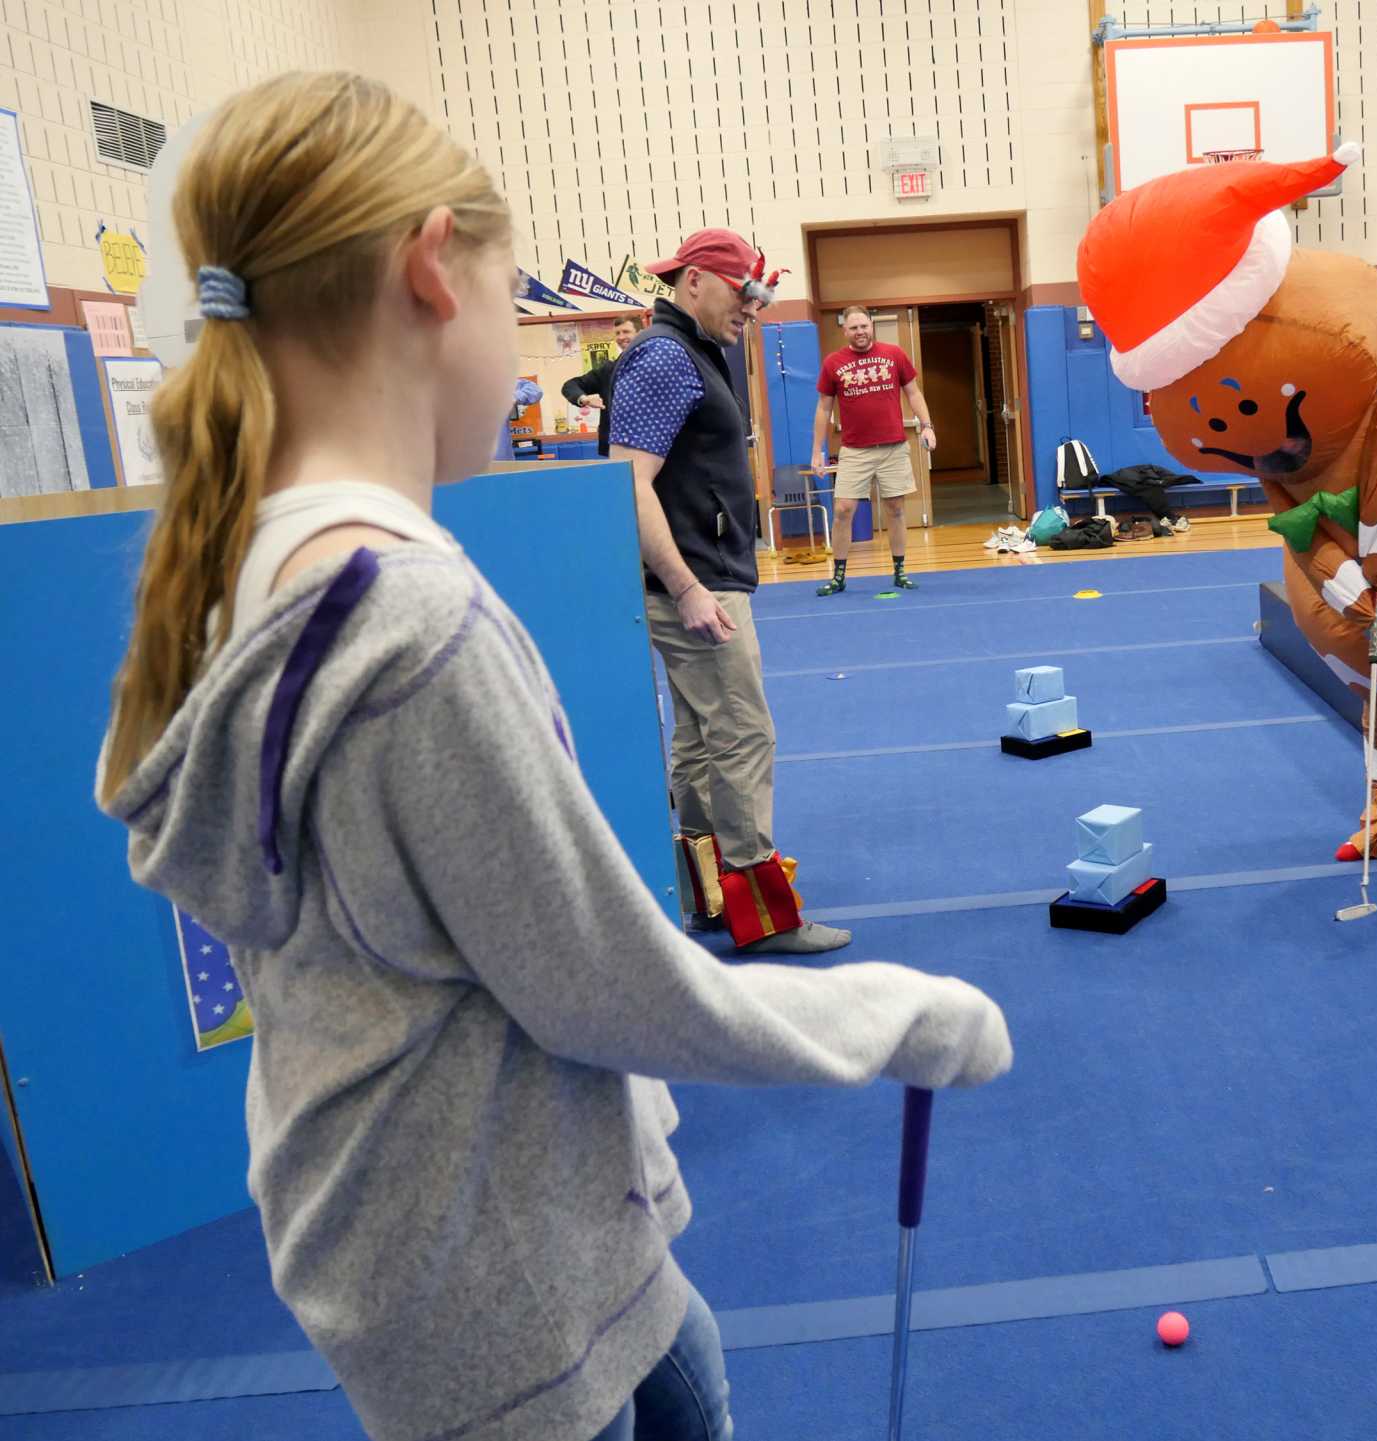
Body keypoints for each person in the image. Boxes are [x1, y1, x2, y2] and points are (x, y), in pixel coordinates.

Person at [93, 71, 1010, 1441]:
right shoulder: (410, 628)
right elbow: (613, 989)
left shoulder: (273, 540)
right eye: (512, 286)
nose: (528, 339)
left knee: (690, 1378)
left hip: (492, 1205)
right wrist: (896, 1018)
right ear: (428, 270)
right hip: (479, 1261)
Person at [608, 229, 846, 953]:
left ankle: (710, 898)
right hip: (694, 584)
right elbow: (629, 479)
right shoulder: (663, 359)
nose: (749, 310)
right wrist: (685, 587)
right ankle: (763, 915)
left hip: (697, 576)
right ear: (693, 284)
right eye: (740, 295)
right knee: (743, 734)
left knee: (702, 741)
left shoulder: (694, 353)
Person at [811, 304, 936, 597]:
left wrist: (927, 425)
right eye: (853, 328)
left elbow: (914, 392)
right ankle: (839, 576)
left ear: (872, 326)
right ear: (845, 331)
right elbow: (823, 408)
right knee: (843, 510)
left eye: (864, 326)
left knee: (895, 509)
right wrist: (817, 449)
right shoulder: (833, 363)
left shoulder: (894, 354)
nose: (860, 332)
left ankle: (899, 571)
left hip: (893, 446)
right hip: (854, 450)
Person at [560, 313, 643, 455]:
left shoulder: (655, 365)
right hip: (616, 447)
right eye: (617, 333)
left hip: (649, 444)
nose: (621, 337)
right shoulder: (607, 370)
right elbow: (570, 385)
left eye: (626, 332)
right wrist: (584, 399)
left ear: (641, 333)